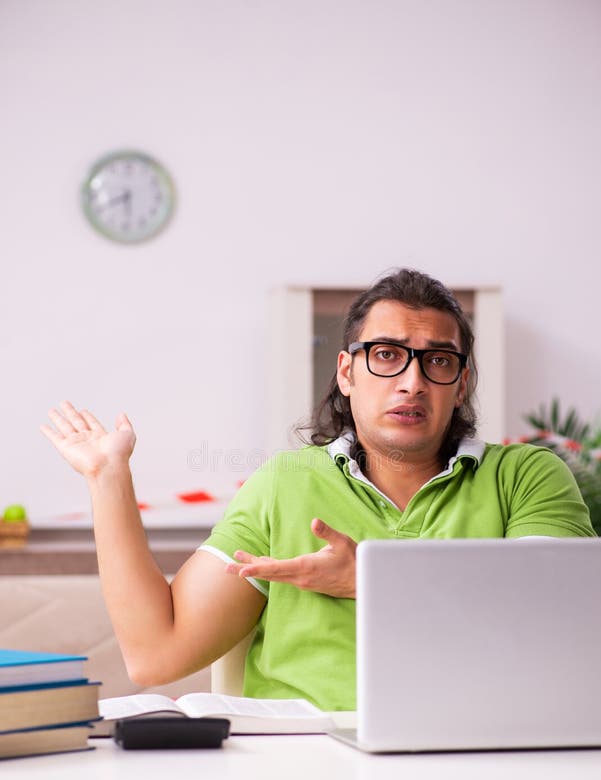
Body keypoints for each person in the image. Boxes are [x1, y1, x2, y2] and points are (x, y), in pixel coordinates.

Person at [41, 268, 595, 710]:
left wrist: (372, 581)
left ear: (462, 384)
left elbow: (562, 632)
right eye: (386, 355)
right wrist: (107, 478)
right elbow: (156, 654)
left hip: (482, 752)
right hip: (300, 761)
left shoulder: (526, 476)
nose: (412, 381)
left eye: (439, 361)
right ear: (347, 374)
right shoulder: (286, 483)